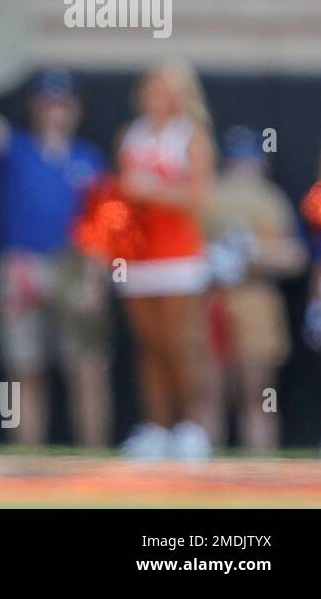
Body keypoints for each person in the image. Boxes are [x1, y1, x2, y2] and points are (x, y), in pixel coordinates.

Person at [0, 70, 111, 448]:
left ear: (75, 109)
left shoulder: (89, 158)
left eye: (62, 104)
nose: (55, 112)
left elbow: (105, 221)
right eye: (47, 104)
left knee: (87, 368)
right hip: (21, 266)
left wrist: (96, 275)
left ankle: (95, 462)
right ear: (35, 108)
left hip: (75, 267)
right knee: (25, 370)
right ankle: (27, 464)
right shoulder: (17, 147)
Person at [115, 60, 216, 460]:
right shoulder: (130, 136)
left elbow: (200, 197)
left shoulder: (191, 136)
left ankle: (191, 428)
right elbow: (120, 196)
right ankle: (155, 428)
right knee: (149, 345)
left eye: (167, 87)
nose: (157, 93)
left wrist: (152, 190)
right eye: (152, 85)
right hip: (137, 257)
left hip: (178, 256)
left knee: (179, 344)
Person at [199, 126, 307, 451]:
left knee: (258, 393)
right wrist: (212, 258)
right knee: (209, 392)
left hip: (257, 297)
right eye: (237, 159)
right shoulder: (207, 197)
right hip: (213, 299)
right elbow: (187, 249)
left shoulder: (272, 200)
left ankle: (261, 474)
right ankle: (201, 480)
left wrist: (255, 250)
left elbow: (296, 256)